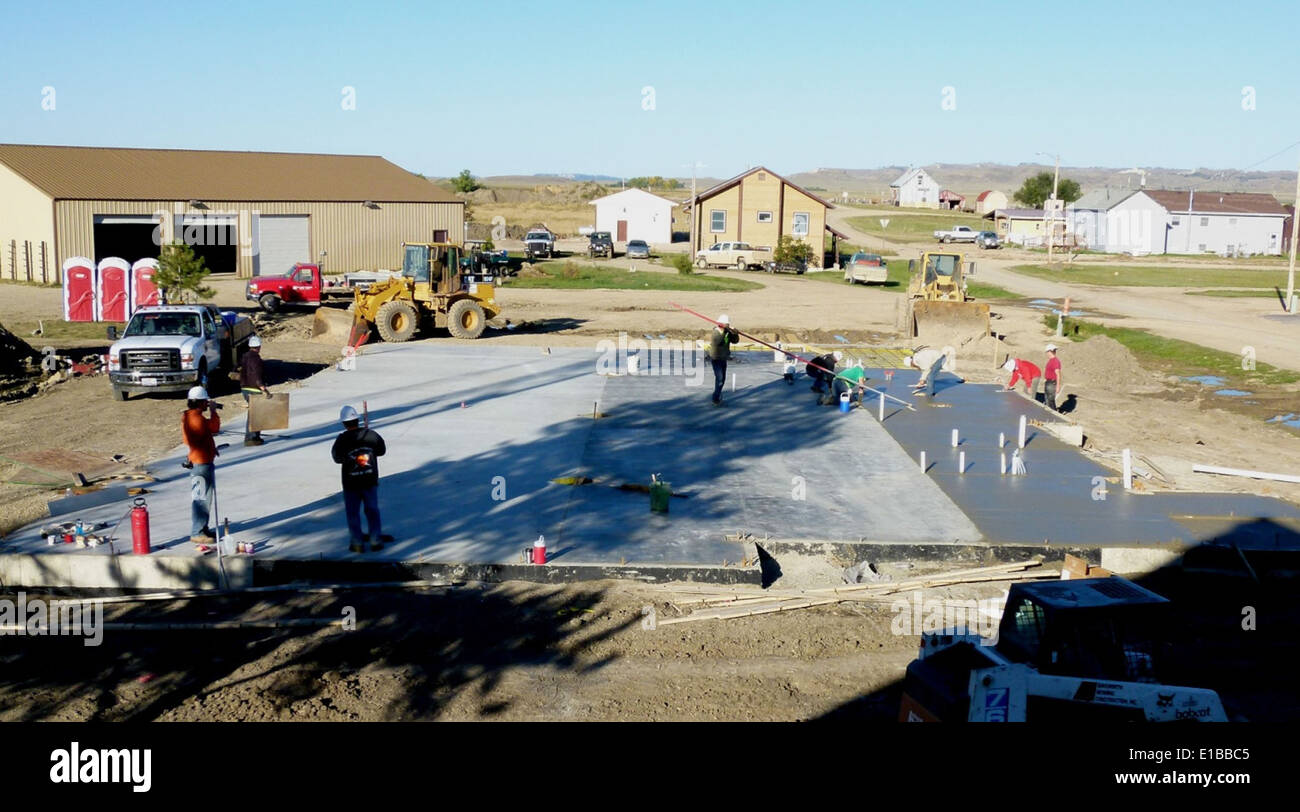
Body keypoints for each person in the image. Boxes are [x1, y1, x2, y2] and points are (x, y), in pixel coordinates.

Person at [331, 405, 387, 553]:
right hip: (369, 480)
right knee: (372, 510)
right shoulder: (371, 435)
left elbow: (337, 458)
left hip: (351, 483)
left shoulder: (342, 440)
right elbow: (381, 451)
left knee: (353, 513)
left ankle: (357, 543)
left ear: (344, 423)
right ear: (357, 420)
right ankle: (376, 540)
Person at [182, 385, 221, 545]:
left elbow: (196, 439)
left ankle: (202, 528)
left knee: (202, 496)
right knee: (202, 498)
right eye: (205, 401)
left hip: (199, 460)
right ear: (199, 402)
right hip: (202, 463)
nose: (207, 403)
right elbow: (214, 428)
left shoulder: (189, 416)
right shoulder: (197, 419)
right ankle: (197, 532)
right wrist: (213, 411)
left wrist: (211, 448)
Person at [238, 335, 271, 445]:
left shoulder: (245, 356)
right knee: (256, 413)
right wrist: (262, 387)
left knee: (253, 412)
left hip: (244, 388)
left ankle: (251, 436)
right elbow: (256, 374)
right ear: (259, 346)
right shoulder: (256, 359)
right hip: (254, 389)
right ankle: (252, 438)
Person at [705, 314, 739, 406]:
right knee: (719, 379)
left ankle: (717, 394)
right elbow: (718, 342)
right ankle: (715, 397)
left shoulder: (727, 331)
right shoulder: (715, 332)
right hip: (716, 358)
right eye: (726, 324)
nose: (728, 325)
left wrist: (735, 333)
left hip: (724, 358)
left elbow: (735, 341)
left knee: (722, 379)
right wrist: (725, 331)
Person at [1043, 344, 1063, 411]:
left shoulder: (1055, 361)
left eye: (1047, 352)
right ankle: (1050, 414)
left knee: (1050, 400)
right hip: (1048, 382)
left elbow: (1058, 374)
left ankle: (1054, 414)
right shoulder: (1051, 360)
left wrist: (1058, 386)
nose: (1046, 353)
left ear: (1049, 351)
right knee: (1047, 400)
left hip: (1052, 382)